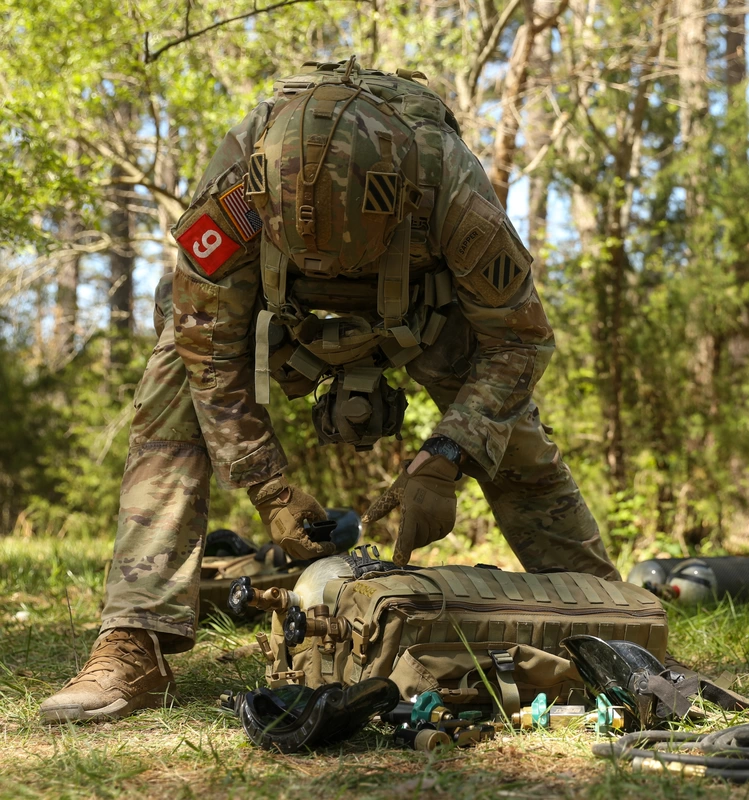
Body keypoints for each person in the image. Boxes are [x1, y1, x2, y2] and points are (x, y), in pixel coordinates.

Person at [39, 59, 620, 724]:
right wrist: (270, 489)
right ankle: (132, 638)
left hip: (426, 318)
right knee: (174, 375)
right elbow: (206, 341)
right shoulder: (237, 187)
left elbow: (518, 340)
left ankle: (615, 622)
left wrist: (449, 456)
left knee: (511, 436)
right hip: (277, 321)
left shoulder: (450, 188)